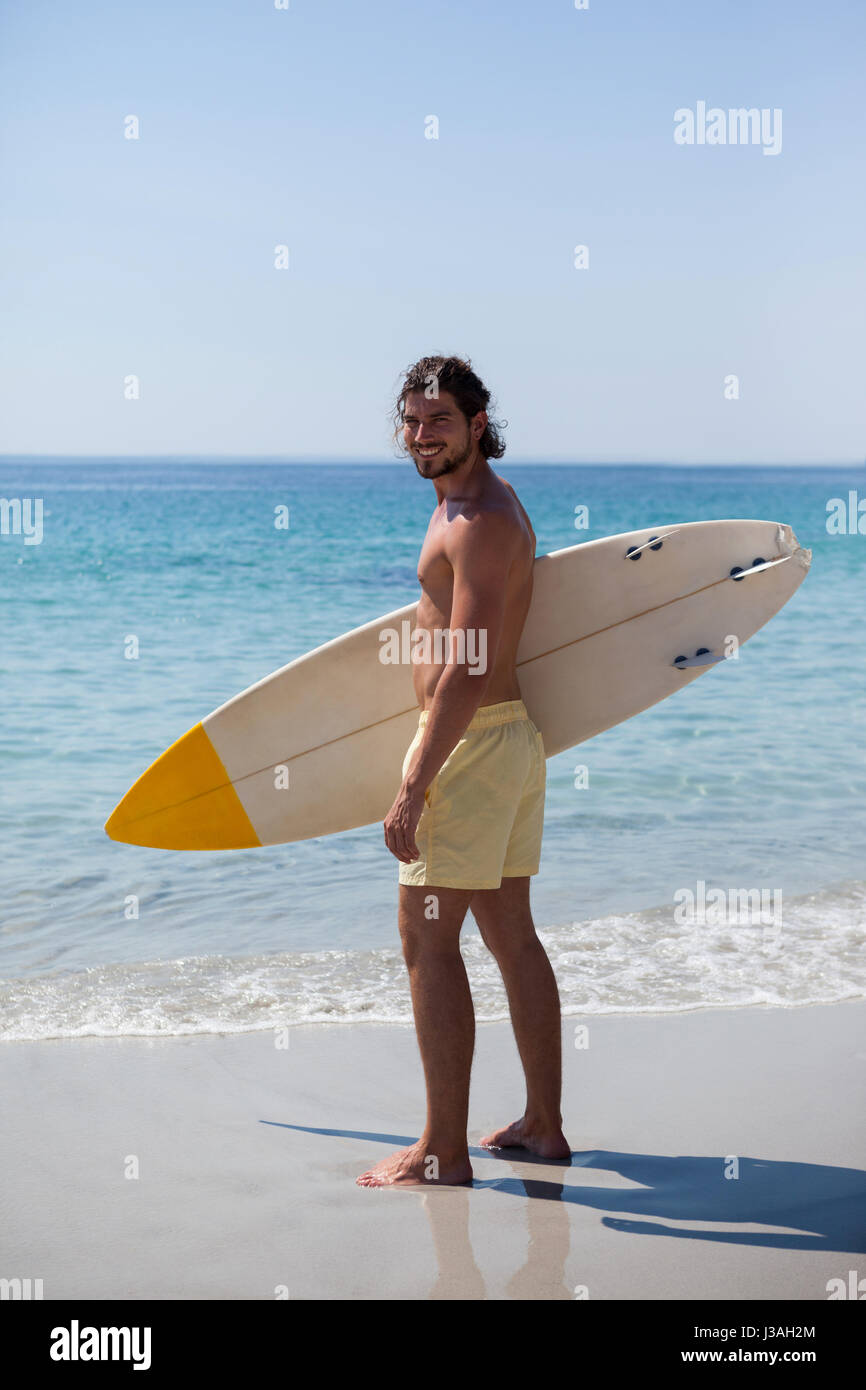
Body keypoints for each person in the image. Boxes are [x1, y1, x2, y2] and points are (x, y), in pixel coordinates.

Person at [356, 355, 570, 1188]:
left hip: (469, 743)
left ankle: (443, 1150)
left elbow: (470, 663)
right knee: (510, 932)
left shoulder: (476, 519)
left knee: (426, 939)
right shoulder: (477, 505)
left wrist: (414, 783)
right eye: (411, 422)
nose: (421, 435)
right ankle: (544, 1126)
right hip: (509, 741)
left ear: (478, 424)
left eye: (438, 420)